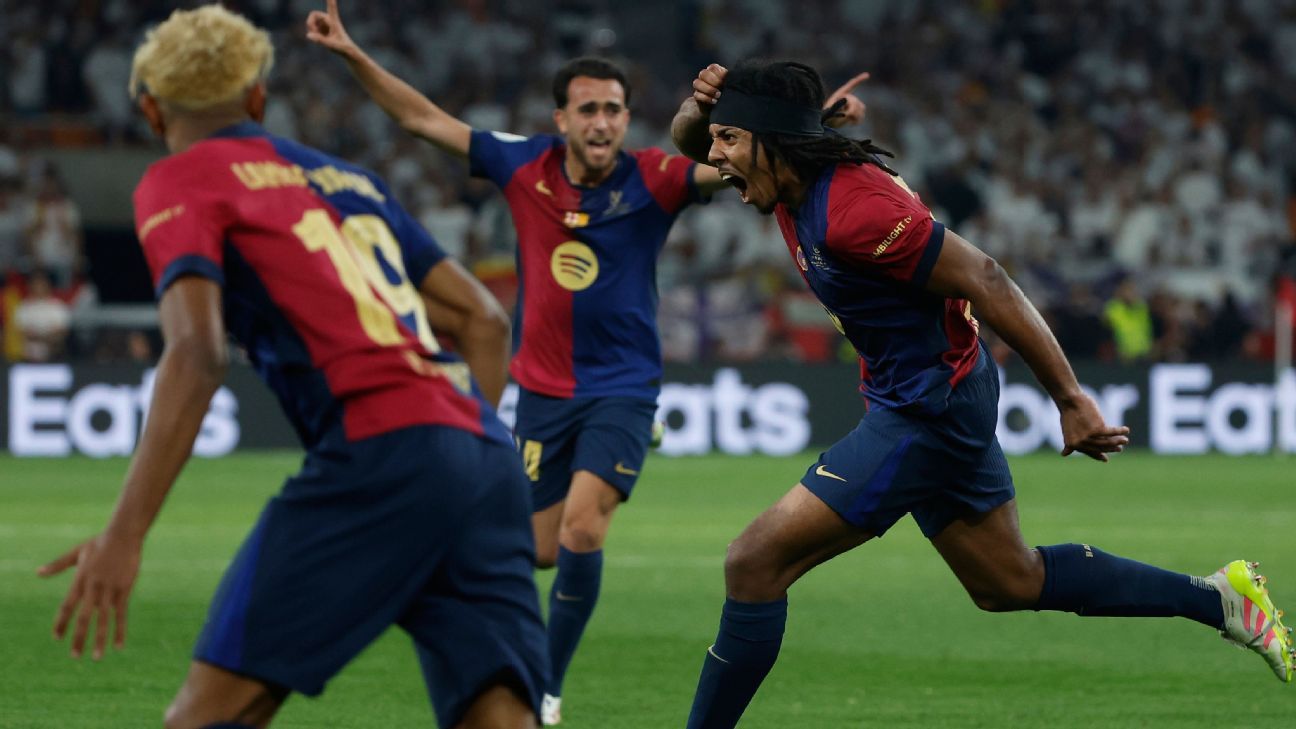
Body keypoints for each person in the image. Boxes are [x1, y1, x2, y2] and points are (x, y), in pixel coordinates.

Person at [670, 59, 1294, 727]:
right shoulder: (788, 172)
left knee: (753, 562)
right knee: (1008, 582)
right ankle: (1223, 600)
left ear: (773, 139)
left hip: (926, 409)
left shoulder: (853, 209)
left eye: (728, 138)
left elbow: (988, 278)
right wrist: (698, 106)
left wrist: (1070, 397)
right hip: (937, 390)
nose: (714, 155)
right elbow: (688, 143)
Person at [305, 4, 867, 724]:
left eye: (614, 110)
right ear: (561, 120)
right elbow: (423, 121)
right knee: (537, 550)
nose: (603, 123)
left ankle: (542, 687)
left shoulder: (657, 176)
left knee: (581, 529)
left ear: (627, 118)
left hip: (622, 390)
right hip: (540, 394)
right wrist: (351, 52)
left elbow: (739, 164)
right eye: (589, 110)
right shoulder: (522, 164)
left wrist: (816, 127)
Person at [38, 7, 545, 728]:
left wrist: (124, 533)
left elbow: (198, 350)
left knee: (206, 717)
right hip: (483, 456)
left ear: (150, 108)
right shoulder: (350, 179)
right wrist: (459, 451)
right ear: (256, 98)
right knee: (498, 716)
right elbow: (484, 322)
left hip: (379, 452)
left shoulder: (179, 180)